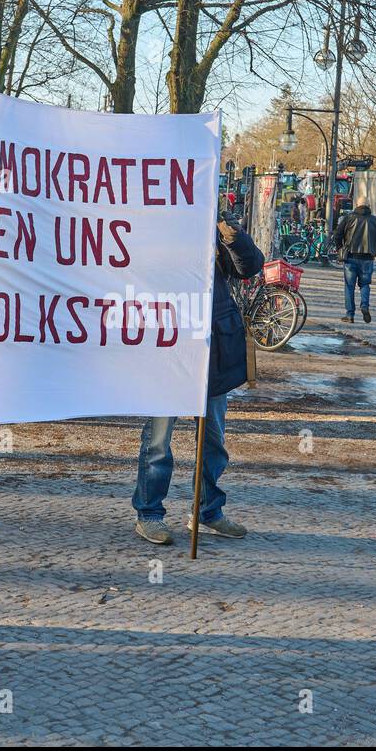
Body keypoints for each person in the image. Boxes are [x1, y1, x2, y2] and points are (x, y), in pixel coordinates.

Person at [132, 213, 264, 546]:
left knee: (214, 440)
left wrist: (233, 236)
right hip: (168, 349)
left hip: (212, 352)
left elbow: (249, 267)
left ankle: (207, 511)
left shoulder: (212, 226)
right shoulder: (152, 230)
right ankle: (149, 514)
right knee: (159, 441)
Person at [335, 203, 376, 323]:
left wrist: (340, 249)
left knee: (349, 286)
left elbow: (338, 235)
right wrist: (374, 252)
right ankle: (365, 306)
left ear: (357, 205)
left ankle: (350, 314)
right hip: (367, 258)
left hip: (350, 256)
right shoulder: (375, 220)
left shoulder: (349, 217)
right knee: (365, 284)